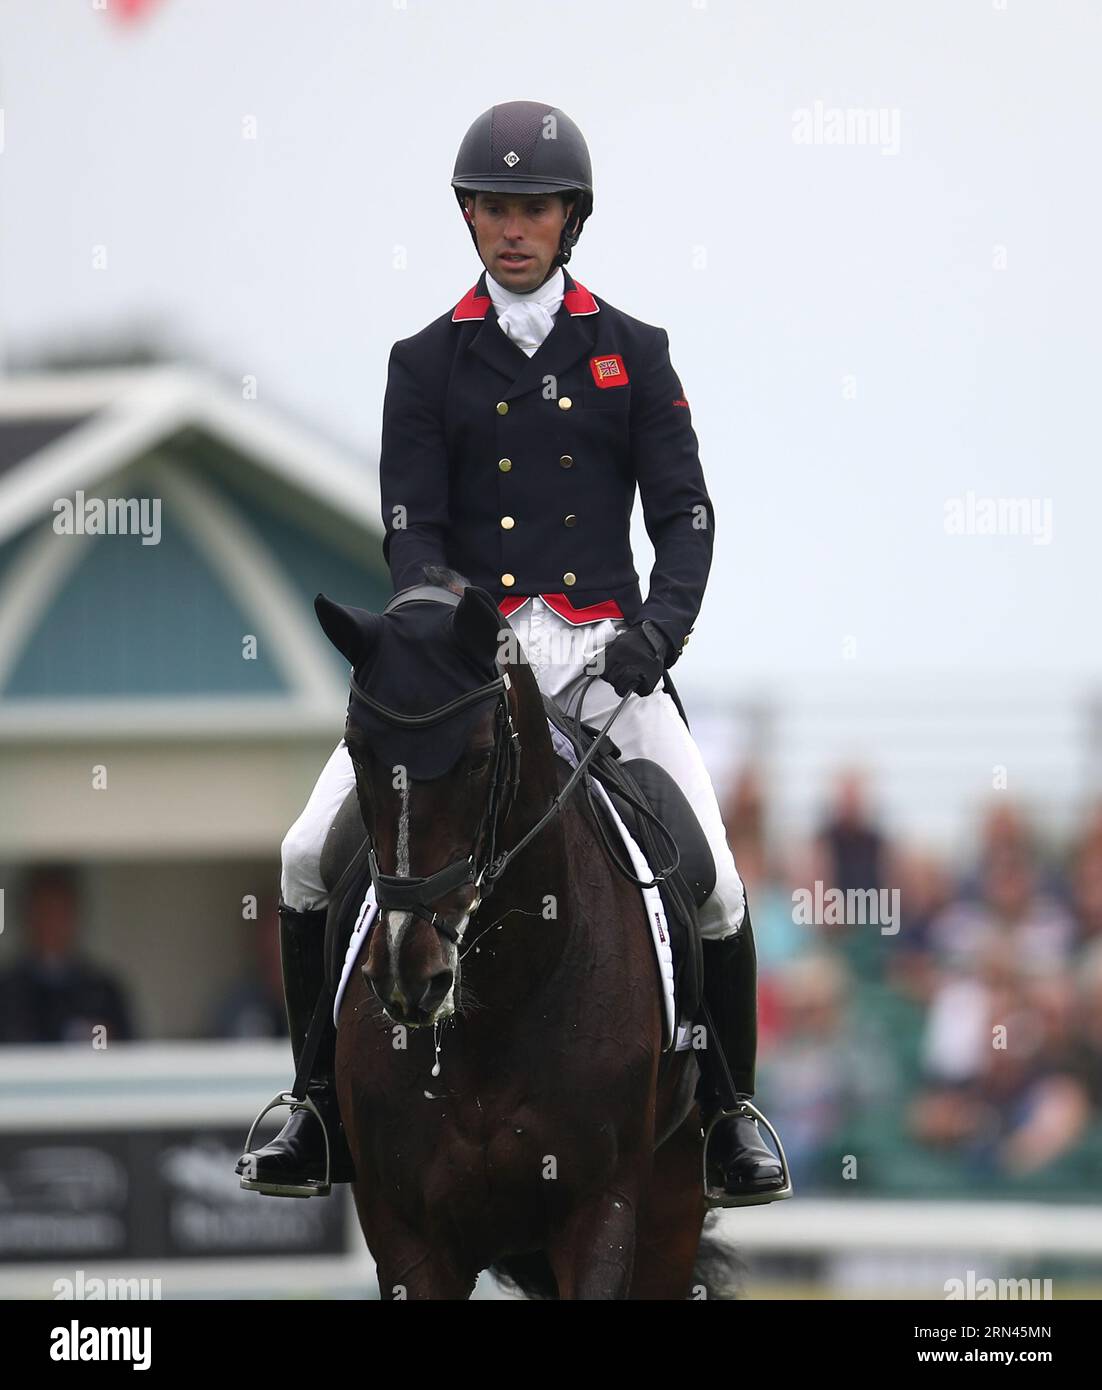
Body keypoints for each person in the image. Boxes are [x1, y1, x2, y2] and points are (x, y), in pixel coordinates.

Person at [237, 100, 788, 1206]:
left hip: (602, 655)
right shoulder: (424, 361)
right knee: (305, 854)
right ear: (470, 218)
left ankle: (729, 1117)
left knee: (720, 886)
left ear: (568, 218)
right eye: (492, 207)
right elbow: (412, 533)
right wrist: (441, 637)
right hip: (461, 666)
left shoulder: (633, 352)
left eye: (532, 207)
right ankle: (311, 1105)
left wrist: (653, 637)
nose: (512, 227)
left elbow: (684, 516)